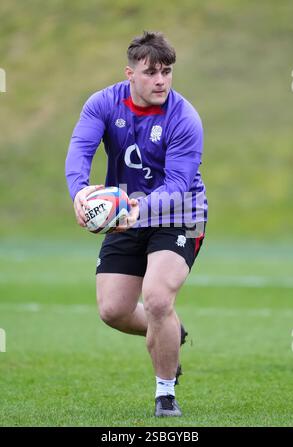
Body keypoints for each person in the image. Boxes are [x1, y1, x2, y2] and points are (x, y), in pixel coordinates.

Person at [65, 31, 208, 417]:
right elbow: (80, 149)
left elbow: (178, 187)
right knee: (113, 310)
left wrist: (133, 210)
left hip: (180, 215)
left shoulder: (184, 118)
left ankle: (165, 394)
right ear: (130, 74)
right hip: (126, 212)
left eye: (167, 71)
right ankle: (171, 334)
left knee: (159, 298)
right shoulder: (103, 104)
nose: (161, 80)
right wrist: (79, 192)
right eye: (151, 72)